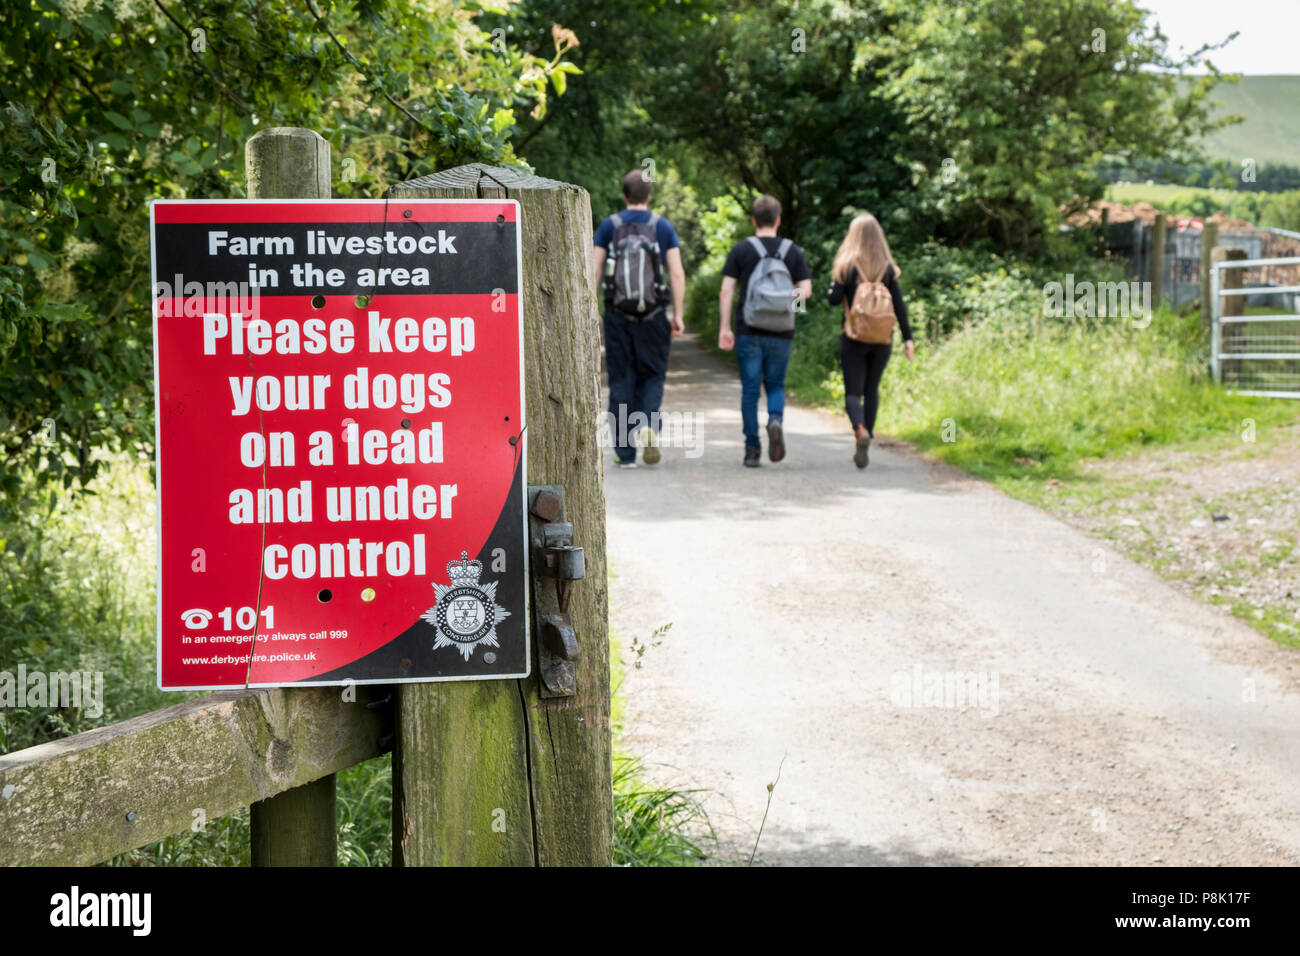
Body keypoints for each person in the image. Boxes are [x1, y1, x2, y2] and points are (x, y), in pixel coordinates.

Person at [592, 170, 686, 468]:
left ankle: (625, 453)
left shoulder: (610, 226)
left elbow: (593, 271)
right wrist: (678, 315)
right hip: (655, 315)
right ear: (649, 196)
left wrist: (593, 311)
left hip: (618, 316)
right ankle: (648, 424)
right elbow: (677, 273)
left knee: (621, 380)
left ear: (624, 195)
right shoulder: (662, 227)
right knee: (653, 375)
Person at [718, 195, 812, 467]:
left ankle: (752, 449)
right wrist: (787, 308)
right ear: (778, 220)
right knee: (776, 384)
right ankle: (775, 419)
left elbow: (726, 290)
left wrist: (725, 327)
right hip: (782, 332)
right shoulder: (792, 251)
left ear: (754, 221)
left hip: (749, 330)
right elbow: (806, 290)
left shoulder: (742, 250)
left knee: (749, 390)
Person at [826, 212, 914, 469]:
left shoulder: (847, 266)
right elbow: (899, 306)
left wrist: (833, 288)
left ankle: (859, 431)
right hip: (882, 339)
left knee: (853, 392)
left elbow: (833, 301)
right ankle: (868, 437)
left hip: (854, 337)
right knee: (871, 389)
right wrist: (908, 339)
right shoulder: (887, 268)